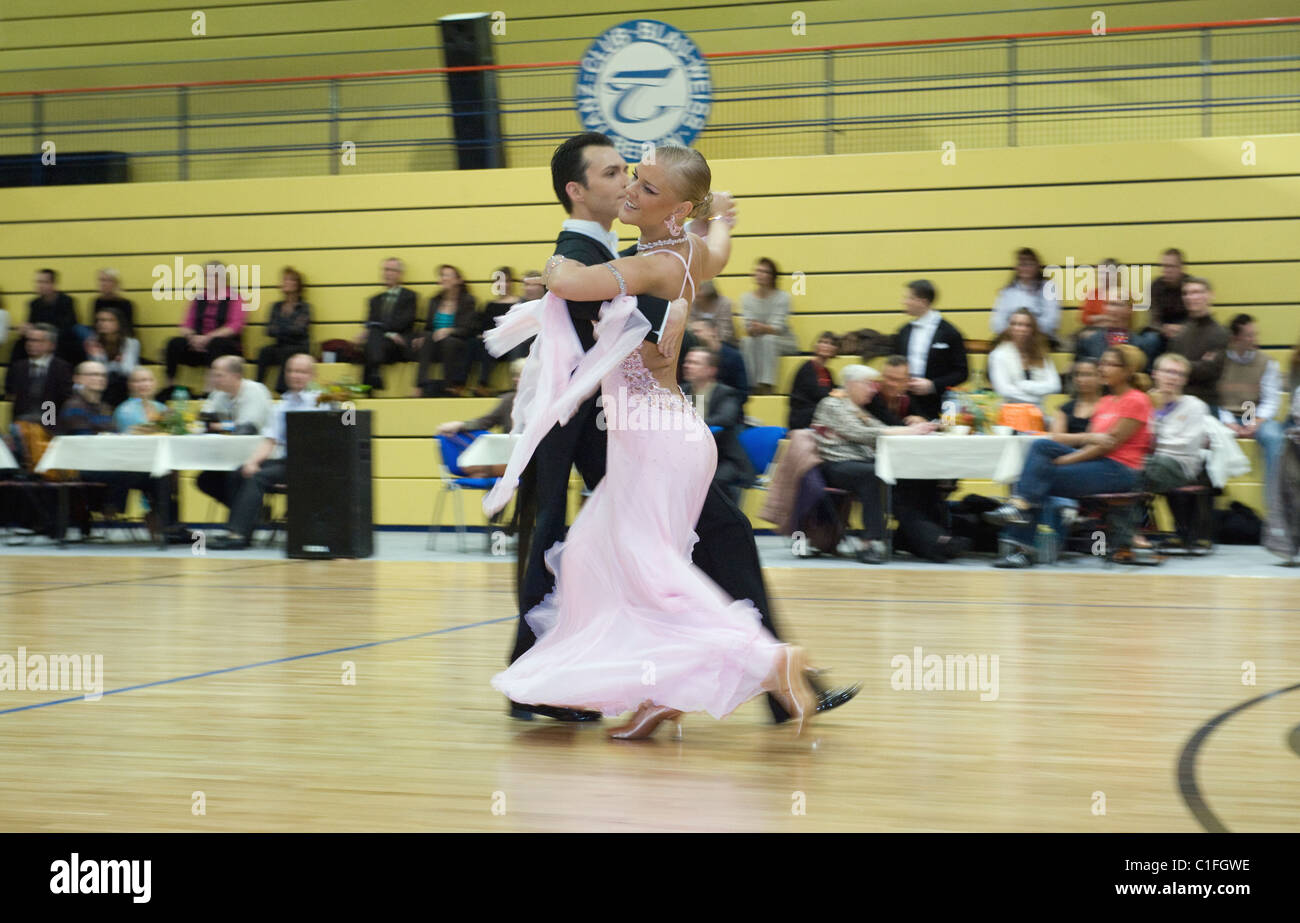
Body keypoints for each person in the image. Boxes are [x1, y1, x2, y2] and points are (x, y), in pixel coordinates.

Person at [485, 139, 848, 739]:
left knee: (644, 562)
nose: (627, 185)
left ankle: (768, 664)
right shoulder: (665, 252)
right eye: (617, 174)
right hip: (643, 432)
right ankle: (661, 689)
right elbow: (714, 254)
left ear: (673, 207)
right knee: (604, 556)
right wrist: (716, 217)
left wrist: (540, 277)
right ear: (577, 191)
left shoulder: (635, 260)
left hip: (649, 439)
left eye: (638, 180)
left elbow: (571, 286)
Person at [987, 345, 1152, 567]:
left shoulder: (1137, 400)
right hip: (1097, 462)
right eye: (1102, 363)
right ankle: (1020, 510)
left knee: (1037, 479)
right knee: (1041, 446)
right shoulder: (1106, 401)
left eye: (1110, 364)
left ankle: (1022, 545)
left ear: (1128, 370)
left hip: (1120, 470)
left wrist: (1063, 461)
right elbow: (1092, 442)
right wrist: (1088, 439)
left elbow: (1108, 445)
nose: (1103, 368)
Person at [812, 364, 939, 564]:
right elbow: (861, 433)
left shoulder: (859, 410)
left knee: (909, 475)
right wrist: (909, 431)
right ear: (852, 384)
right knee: (874, 474)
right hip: (836, 465)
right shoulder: (832, 404)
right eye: (869, 384)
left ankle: (921, 537)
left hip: (861, 463)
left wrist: (917, 428)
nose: (874, 389)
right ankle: (868, 543)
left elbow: (883, 428)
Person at [209, 354, 321, 550]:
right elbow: (270, 440)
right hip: (288, 462)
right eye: (291, 371)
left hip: (312, 464)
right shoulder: (282, 406)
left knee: (258, 477)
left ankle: (238, 535)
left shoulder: (322, 401)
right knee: (239, 472)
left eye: (301, 372)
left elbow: (346, 423)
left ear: (312, 375)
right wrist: (252, 462)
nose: (295, 375)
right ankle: (243, 530)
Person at [1111, 352, 1208, 564]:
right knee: (1122, 471)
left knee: (1136, 468)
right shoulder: (1141, 401)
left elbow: (1185, 444)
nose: (1173, 377)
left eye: (1179, 374)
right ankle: (1125, 539)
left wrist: (1151, 445)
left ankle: (1126, 537)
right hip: (1145, 462)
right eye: (1168, 372)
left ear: (1185, 380)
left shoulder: (1195, 406)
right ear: (1155, 374)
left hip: (1179, 465)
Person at [1217, 313, 1286, 490]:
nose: (1254, 339)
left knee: (1275, 437)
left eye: (1254, 334)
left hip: (1256, 416)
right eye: (1248, 335)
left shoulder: (1267, 362)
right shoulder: (1220, 362)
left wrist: (1254, 422)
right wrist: (1229, 423)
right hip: (1226, 417)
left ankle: (1275, 498)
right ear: (1234, 339)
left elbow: (1271, 400)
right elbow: (1217, 398)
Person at [682, 347, 754, 504]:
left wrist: (688, 423)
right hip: (689, 456)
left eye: (694, 363)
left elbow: (725, 418)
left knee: (713, 484)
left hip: (723, 457)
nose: (687, 366)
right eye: (687, 362)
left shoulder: (725, 393)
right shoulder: (682, 391)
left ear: (710, 370)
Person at [892, 279, 968, 421]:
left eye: (909, 298)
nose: (904, 302)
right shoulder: (903, 332)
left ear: (923, 301)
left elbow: (962, 372)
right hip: (908, 401)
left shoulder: (949, 332)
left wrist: (932, 385)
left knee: (945, 432)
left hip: (942, 401)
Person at [437, 358, 525, 477]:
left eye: (521, 375)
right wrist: (460, 425)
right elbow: (485, 421)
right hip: (510, 457)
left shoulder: (546, 405)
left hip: (532, 458)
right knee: (473, 466)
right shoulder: (508, 401)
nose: (515, 379)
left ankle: (487, 473)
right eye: (515, 375)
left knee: (480, 470)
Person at [164, 261, 246, 387]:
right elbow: (186, 324)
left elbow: (234, 326)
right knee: (174, 343)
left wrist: (207, 338)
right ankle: (170, 386)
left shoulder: (235, 297)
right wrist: (192, 338)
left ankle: (210, 390)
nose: (209, 279)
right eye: (207, 276)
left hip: (224, 347)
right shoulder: (199, 297)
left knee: (216, 344)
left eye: (213, 276)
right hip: (198, 345)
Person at [414, 264, 477, 397]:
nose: (443, 278)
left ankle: (449, 385)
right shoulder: (434, 300)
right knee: (426, 338)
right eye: (442, 275)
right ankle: (420, 385)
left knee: (448, 342)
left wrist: (448, 331)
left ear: (457, 280)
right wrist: (420, 337)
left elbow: (467, 329)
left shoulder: (467, 300)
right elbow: (428, 327)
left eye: (447, 275)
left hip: (457, 341)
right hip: (434, 341)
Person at [356, 258, 417, 392]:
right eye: (385, 270)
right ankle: (374, 374)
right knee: (371, 337)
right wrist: (388, 333)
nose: (387, 273)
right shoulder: (374, 300)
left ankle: (370, 383)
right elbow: (370, 323)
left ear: (400, 274)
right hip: (381, 343)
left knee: (371, 340)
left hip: (398, 345)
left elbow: (404, 322)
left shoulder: (409, 296)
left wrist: (379, 329)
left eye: (391, 270)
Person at [738, 258, 797, 394]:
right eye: (758, 271)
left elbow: (777, 327)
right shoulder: (746, 298)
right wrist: (755, 328)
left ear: (772, 276)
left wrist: (761, 328)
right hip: (757, 339)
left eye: (765, 272)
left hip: (783, 340)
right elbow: (748, 326)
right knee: (746, 341)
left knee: (768, 339)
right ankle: (750, 385)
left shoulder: (783, 297)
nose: (760, 274)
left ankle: (767, 385)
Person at [1168, 277, 1228, 407]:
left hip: (1207, 402)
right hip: (1180, 400)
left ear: (1210, 295)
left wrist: (1180, 366)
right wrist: (1193, 365)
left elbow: (1209, 370)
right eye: (1186, 293)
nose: (1190, 297)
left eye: (1196, 292)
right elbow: (1170, 365)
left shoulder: (1221, 333)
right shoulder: (1181, 333)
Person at [988, 307, 1061, 407]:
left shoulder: (1041, 354)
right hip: (1010, 410)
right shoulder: (998, 355)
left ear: (1033, 329)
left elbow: (1055, 385)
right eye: (1016, 324)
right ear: (1009, 328)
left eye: (1026, 325)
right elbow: (1004, 390)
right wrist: (1036, 399)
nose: (1021, 329)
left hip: (1038, 411)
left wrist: (1026, 386)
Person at [256, 267, 311, 394]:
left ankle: (282, 390)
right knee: (264, 351)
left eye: (290, 280)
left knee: (287, 352)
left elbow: (300, 330)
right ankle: (258, 387)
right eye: (284, 279)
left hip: (299, 346)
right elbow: (269, 330)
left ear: (297, 285)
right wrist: (287, 328)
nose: (285, 282)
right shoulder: (276, 306)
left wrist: (280, 328)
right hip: (281, 345)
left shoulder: (304, 307)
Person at [4, 324, 74, 423]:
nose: (30, 344)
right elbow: (10, 394)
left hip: (52, 422)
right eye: (29, 340)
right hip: (21, 422)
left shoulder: (62, 368)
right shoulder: (17, 367)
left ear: (51, 345)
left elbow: (66, 398)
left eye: (37, 341)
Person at [991, 247, 1061, 339]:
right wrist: (1016, 330)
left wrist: (1027, 328)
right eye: (1023, 264)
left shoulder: (1049, 288)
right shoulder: (1008, 292)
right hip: (1011, 338)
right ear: (1017, 268)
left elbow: (1052, 322)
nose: (1026, 268)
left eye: (1030, 264)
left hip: (1040, 338)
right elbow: (996, 323)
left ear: (1037, 266)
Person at [83, 305, 139, 407]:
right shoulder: (91, 342)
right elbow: (97, 371)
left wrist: (109, 365)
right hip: (102, 385)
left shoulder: (131, 343)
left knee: (119, 381)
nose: (101, 323)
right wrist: (115, 363)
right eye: (99, 320)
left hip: (124, 385)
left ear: (119, 323)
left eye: (108, 320)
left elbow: (128, 370)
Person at [787, 331, 837, 431]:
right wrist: (837, 394)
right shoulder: (807, 368)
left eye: (830, 343)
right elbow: (819, 394)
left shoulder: (828, 373)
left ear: (835, 350)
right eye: (822, 342)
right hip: (803, 418)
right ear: (816, 346)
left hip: (819, 415)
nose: (826, 346)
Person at [1051, 358, 1102, 435]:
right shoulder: (1065, 409)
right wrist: (1087, 438)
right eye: (1077, 375)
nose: (1081, 379)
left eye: (1088, 374)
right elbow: (1055, 436)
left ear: (1100, 378)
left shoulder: (1110, 406)